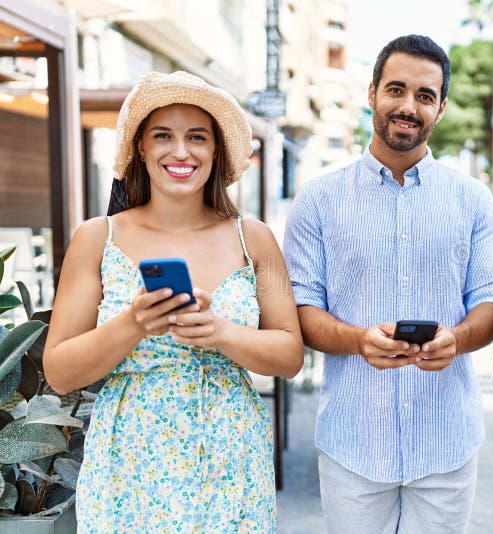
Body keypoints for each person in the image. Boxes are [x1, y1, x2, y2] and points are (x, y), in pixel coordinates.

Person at [43, 71, 304, 532]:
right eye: (163, 135)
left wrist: (222, 332)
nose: (180, 152)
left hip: (231, 460)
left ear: (216, 151)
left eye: (196, 138)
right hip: (128, 465)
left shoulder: (255, 240)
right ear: (141, 147)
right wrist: (133, 324)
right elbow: (61, 372)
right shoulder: (96, 238)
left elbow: (289, 354)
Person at [283, 35, 493, 533]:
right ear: (372, 92)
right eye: (396, 90)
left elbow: (491, 300)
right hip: (353, 442)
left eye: (425, 96)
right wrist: (357, 341)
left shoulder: (473, 200)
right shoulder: (317, 201)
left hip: (445, 441)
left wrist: (459, 338)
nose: (408, 106)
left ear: (441, 108)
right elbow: (300, 309)